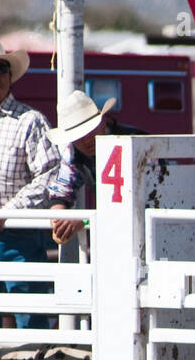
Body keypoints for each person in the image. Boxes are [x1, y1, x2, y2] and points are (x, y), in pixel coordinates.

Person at [0, 37, 60, 330]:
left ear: (10, 76)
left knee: (29, 316)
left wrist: (9, 211)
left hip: (18, 237)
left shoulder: (29, 121)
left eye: (2, 69)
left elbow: (51, 174)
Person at [46, 91, 144, 245]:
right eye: (78, 137)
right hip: (118, 234)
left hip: (149, 228)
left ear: (103, 121)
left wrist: (84, 221)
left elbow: (138, 203)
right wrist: (59, 219)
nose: (86, 141)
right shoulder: (73, 152)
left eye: (90, 131)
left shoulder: (135, 142)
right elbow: (60, 193)